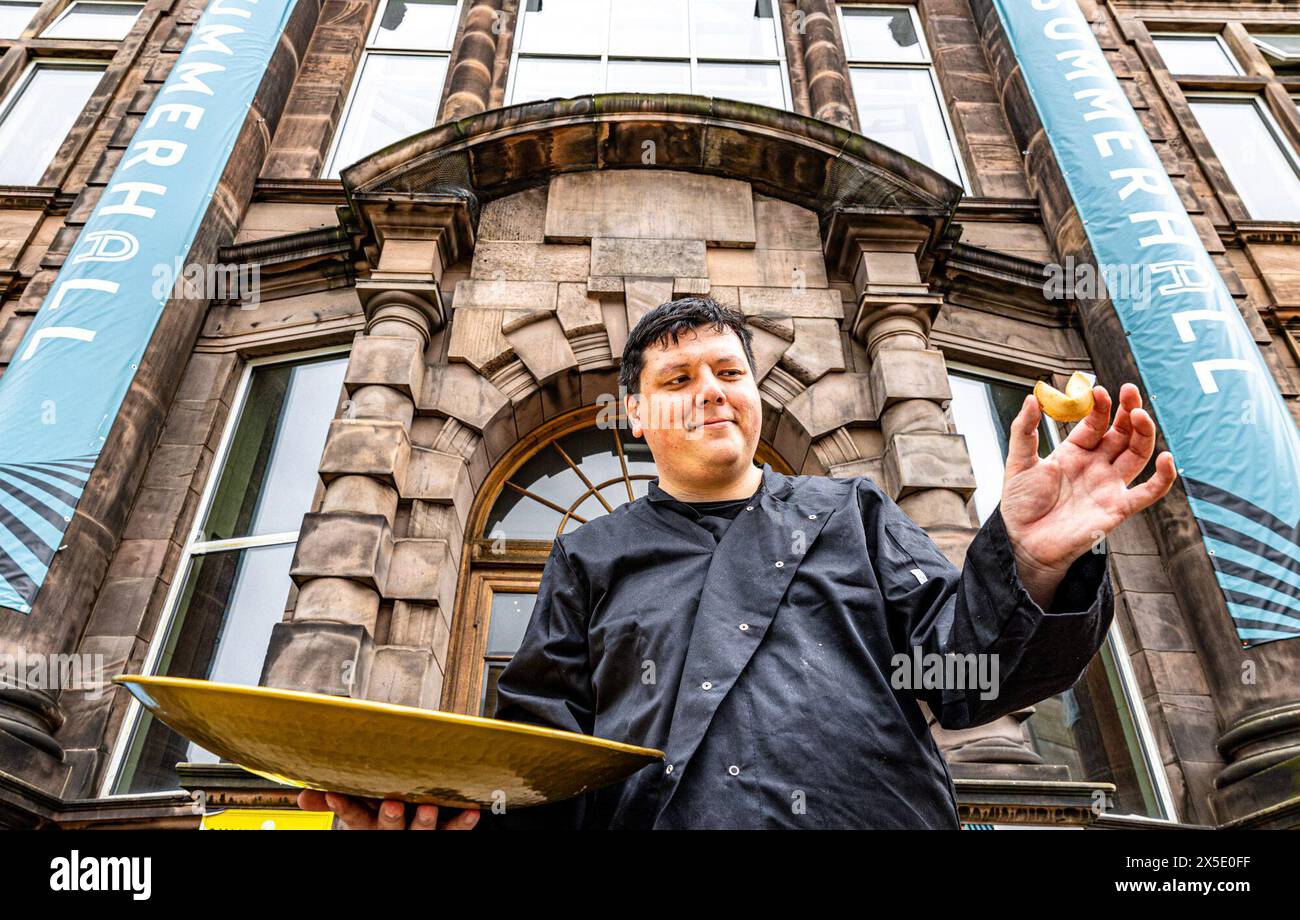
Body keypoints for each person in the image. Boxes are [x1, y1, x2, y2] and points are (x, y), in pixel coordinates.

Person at [300, 296, 1177, 829]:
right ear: (635, 417)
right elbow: (542, 762)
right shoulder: (589, 554)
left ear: (756, 396)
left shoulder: (852, 513)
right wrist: (432, 810)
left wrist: (1025, 560)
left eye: (727, 372)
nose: (710, 390)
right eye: (677, 380)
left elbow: (967, 678)